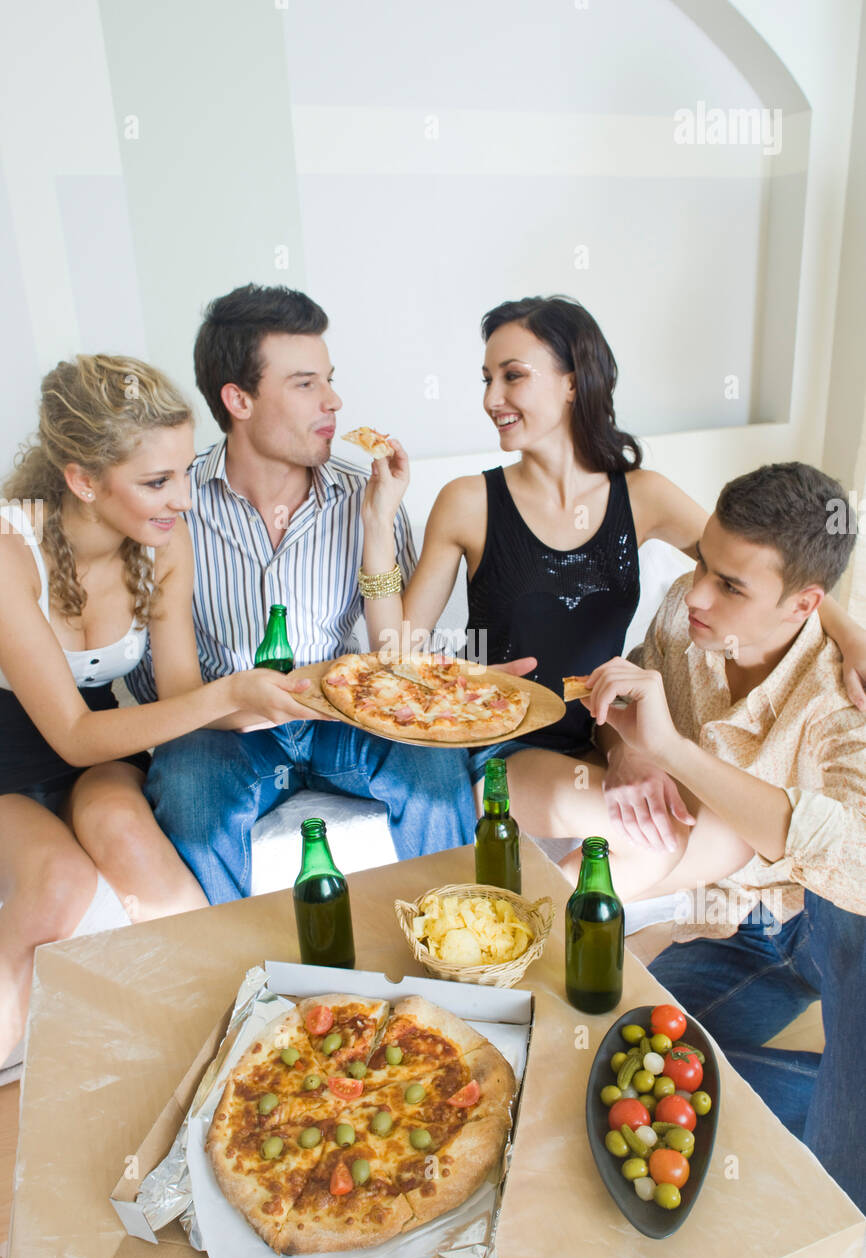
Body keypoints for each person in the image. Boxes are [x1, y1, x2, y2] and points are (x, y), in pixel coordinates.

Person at [361, 295, 866, 887]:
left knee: (709, 833)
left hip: (598, 732)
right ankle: (505, 947)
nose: (491, 399)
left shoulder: (642, 495)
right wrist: (378, 524)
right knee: (654, 837)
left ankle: (525, 948)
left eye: (513, 376)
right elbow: (393, 655)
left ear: (573, 383)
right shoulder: (468, 502)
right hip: (502, 744)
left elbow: (759, 568)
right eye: (487, 379)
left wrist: (850, 632)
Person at [128, 285, 502, 904]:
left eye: (328, 380)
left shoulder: (364, 494)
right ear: (238, 398)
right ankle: (240, 986)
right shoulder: (172, 503)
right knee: (193, 798)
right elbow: (173, 693)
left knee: (435, 773)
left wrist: (379, 521)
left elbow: (396, 655)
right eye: (305, 384)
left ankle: (454, 958)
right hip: (219, 729)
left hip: (336, 717)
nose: (334, 401)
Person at [0, 355, 318, 1059]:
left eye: (183, 472)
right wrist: (229, 692)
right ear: (82, 480)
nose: (184, 498)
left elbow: (180, 702)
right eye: (156, 481)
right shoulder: (8, 553)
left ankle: (242, 1047)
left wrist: (292, 697)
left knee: (130, 837)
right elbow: (74, 734)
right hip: (15, 763)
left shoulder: (162, 547)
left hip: (101, 751)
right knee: (59, 883)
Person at [579, 462, 865, 1211]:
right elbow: (633, 692)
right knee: (623, 1065)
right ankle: (819, 1111)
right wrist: (631, 748)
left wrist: (674, 750)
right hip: (747, 922)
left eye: (731, 585)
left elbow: (857, 862)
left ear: (806, 604)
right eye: (702, 560)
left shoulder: (845, 703)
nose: (696, 591)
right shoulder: (685, 612)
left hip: (838, 921)